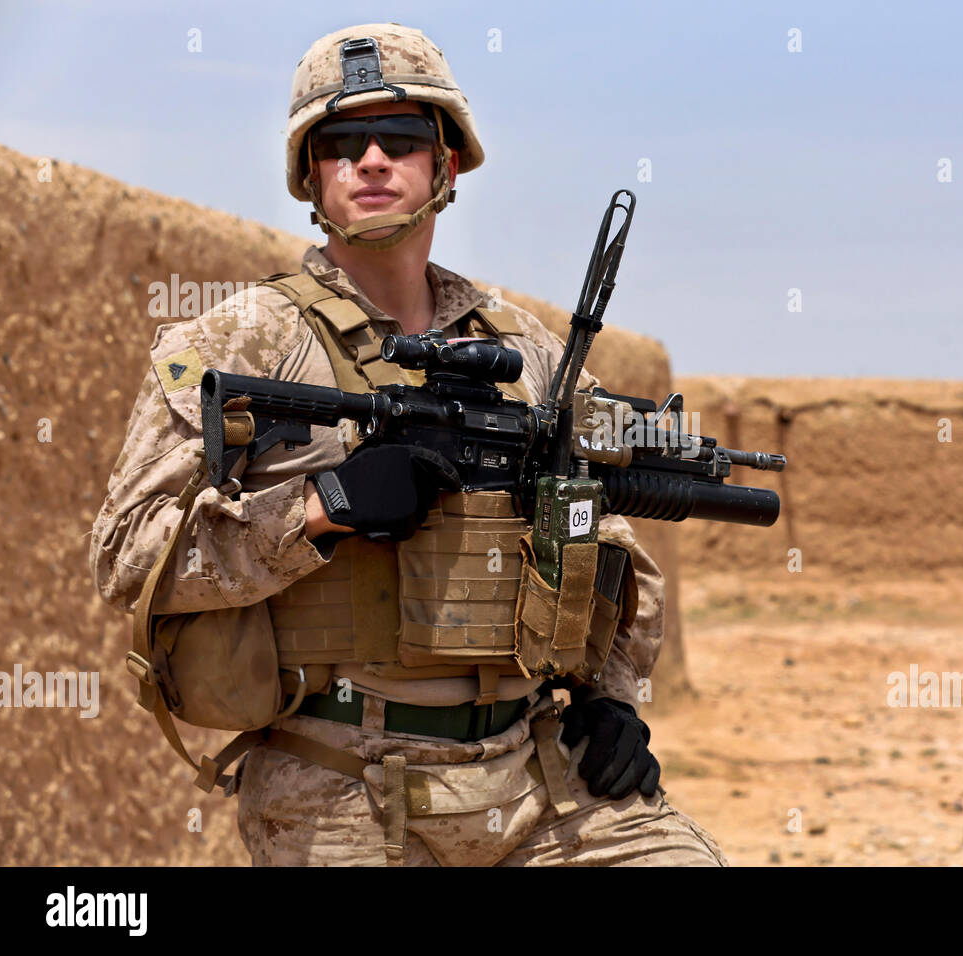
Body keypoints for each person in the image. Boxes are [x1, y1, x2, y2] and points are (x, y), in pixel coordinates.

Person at [90, 22, 727, 867]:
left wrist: (612, 701)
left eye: (401, 138)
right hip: (338, 784)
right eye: (342, 142)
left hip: (533, 773)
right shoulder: (236, 345)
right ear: (310, 174)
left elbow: (605, 538)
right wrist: (320, 510)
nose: (373, 160)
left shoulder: (526, 351)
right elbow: (125, 558)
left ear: (445, 165)